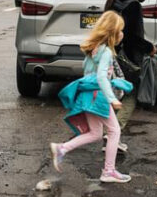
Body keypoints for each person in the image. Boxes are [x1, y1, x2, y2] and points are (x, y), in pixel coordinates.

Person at [50, 11, 132, 183]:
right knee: (114, 130)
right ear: (112, 32)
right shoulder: (107, 52)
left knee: (95, 133)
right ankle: (108, 171)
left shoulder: (94, 49)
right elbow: (101, 77)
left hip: (88, 96)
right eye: (120, 30)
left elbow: (89, 73)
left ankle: (62, 148)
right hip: (99, 96)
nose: (122, 34)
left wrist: (113, 81)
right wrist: (112, 98)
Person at [105, 0, 157, 136]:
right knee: (130, 95)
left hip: (112, 54)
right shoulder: (133, 5)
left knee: (115, 94)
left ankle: (110, 132)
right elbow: (132, 37)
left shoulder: (114, 0)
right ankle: (114, 133)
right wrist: (150, 48)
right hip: (128, 58)